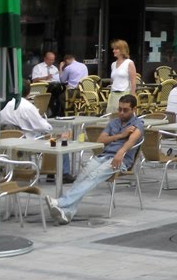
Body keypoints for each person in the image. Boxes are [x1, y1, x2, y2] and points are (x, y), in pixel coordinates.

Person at [45, 94, 144, 225]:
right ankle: (67, 213)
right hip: (103, 156)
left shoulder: (138, 124)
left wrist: (120, 153)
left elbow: (132, 141)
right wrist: (121, 135)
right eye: (119, 109)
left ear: (134, 109)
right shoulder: (114, 122)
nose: (121, 113)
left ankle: (60, 202)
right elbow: (100, 140)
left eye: (125, 110)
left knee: (93, 176)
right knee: (82, 176)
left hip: (120, 160)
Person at [107, 39, 137, 114]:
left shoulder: (129, 63)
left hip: (124, 94)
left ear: (122, 50)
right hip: (113, 94)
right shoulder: (113, 64)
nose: (113, 51)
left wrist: (132, 98)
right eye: (113, 49)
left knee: (125, 117)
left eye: (116, 49)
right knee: (112, 117)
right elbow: (113, 80)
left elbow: (133, 82)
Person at [31, 50, 64, 117]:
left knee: (59, 89)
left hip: (53, 87)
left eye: (53, 60)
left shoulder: (54, 68)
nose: (51, 62)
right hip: (42, 88)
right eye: (50, 60)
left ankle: (56, 112)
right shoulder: (38, 67)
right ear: (45, 59)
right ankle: (53, 111)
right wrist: (45, 78)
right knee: (54, 94)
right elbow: (34, 80)